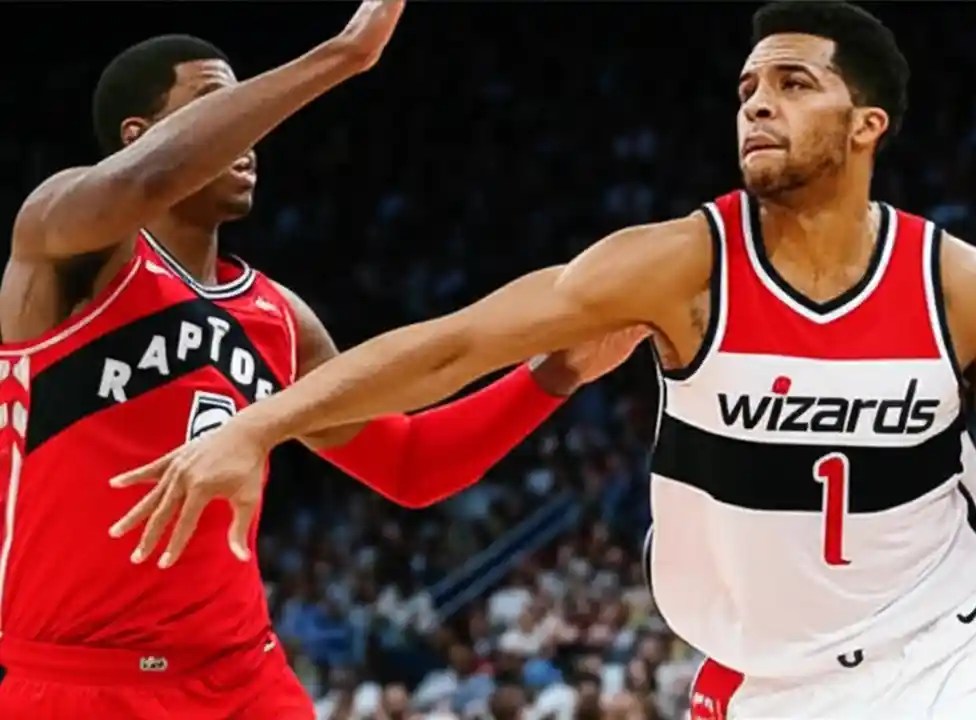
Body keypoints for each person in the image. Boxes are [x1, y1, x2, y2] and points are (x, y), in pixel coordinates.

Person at [111, 2, 976, 718]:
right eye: (744, 87)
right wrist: (259, 425)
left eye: (792, 83)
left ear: (866, 124)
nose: (755, 105)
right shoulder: (678, 264)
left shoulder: (958, 288)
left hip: (948, 664)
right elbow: (454, 344)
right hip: (760, 687)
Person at [0, 3, 643, 718]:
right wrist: (342, 54)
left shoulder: (278, 318)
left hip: (243, 675)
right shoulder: (64, 244)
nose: (251, 134)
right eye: (220, 106)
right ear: (137, 135)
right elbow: (140, 184)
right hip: (81, 679)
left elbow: (409, 465)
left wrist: (555, 375)